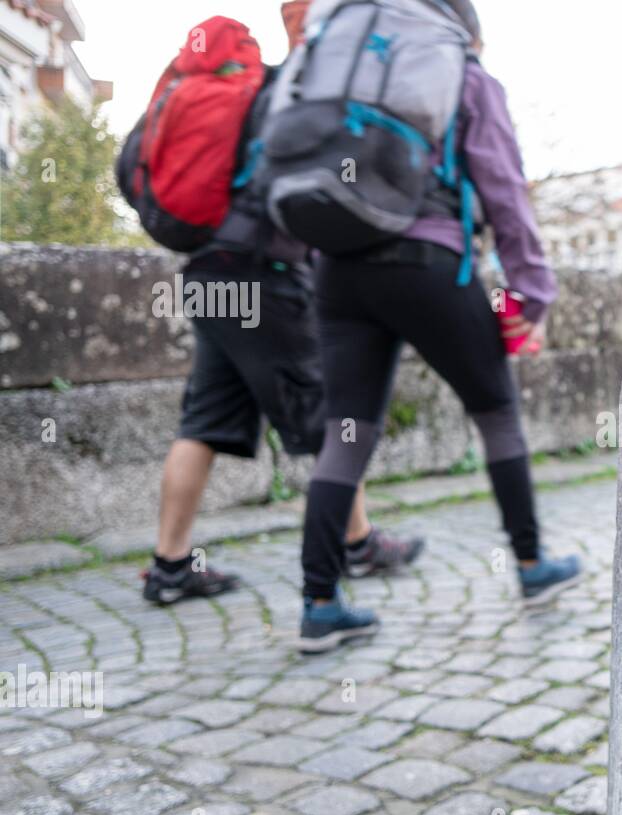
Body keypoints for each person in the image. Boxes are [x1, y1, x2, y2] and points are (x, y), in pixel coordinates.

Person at [298, 0, 581, 652]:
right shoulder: (464, 70)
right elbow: (505, 192)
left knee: (346, 434)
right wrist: (528, 298)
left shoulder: (339, 68)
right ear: (468, 30)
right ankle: (534, 567)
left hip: (338, 271)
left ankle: (319, 603)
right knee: (496, 412)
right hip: (428, 265)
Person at [142, 1, 422, 607]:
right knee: (328, 417)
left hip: (210, 273)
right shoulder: (289, 89)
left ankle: (168, 568)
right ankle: (354, 552)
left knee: (203, 422)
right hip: (263, 274)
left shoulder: (242, 92)